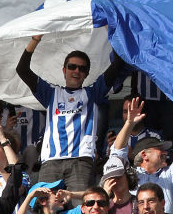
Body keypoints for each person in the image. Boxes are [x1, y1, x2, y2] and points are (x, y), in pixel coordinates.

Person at [16, 34, 124, 189]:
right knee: (48, 211)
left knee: (80, 211)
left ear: (86, 74)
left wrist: (110, 32)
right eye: (72, 67)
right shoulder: (50, 93)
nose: (76, 71)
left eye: (82, 68)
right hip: (51, 162)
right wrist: (35, 40)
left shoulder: (93, 93)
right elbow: (22, 70)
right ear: (64, 70)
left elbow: (118, 63)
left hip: (81, 161)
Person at [112, 97, 173, 214]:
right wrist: (129, 124)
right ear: (144, 155)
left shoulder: (170, 176)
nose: (165, 153)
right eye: (160, 149)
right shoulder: (129, 177)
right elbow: (117, 153)